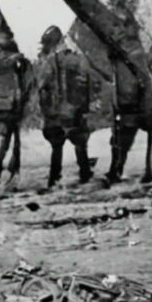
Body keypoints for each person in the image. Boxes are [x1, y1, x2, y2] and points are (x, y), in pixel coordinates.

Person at [36, 25, 95, 188]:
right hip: (75, 108)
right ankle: (85, 173)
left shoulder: (49, 61)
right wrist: (84, 108)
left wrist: (45, 109)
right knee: (80, 143)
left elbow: (42, 85)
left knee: (57, 146)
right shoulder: (77, 58)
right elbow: (86, 83)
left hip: (55, 111)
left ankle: (54, 178)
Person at [0, 27, 33, 192]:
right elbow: (27, 86)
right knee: (12, 143)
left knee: (3, 143)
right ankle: (10, 174)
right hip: (13, 107)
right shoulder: (19, 63)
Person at [106, 49, 147, 185]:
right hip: (122, 109)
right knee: (118, 143)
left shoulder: (129, 67)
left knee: (122, 143)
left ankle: (116, 171)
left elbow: (133, 88)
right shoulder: (119, 68)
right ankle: (115, 171)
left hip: (129, 109)